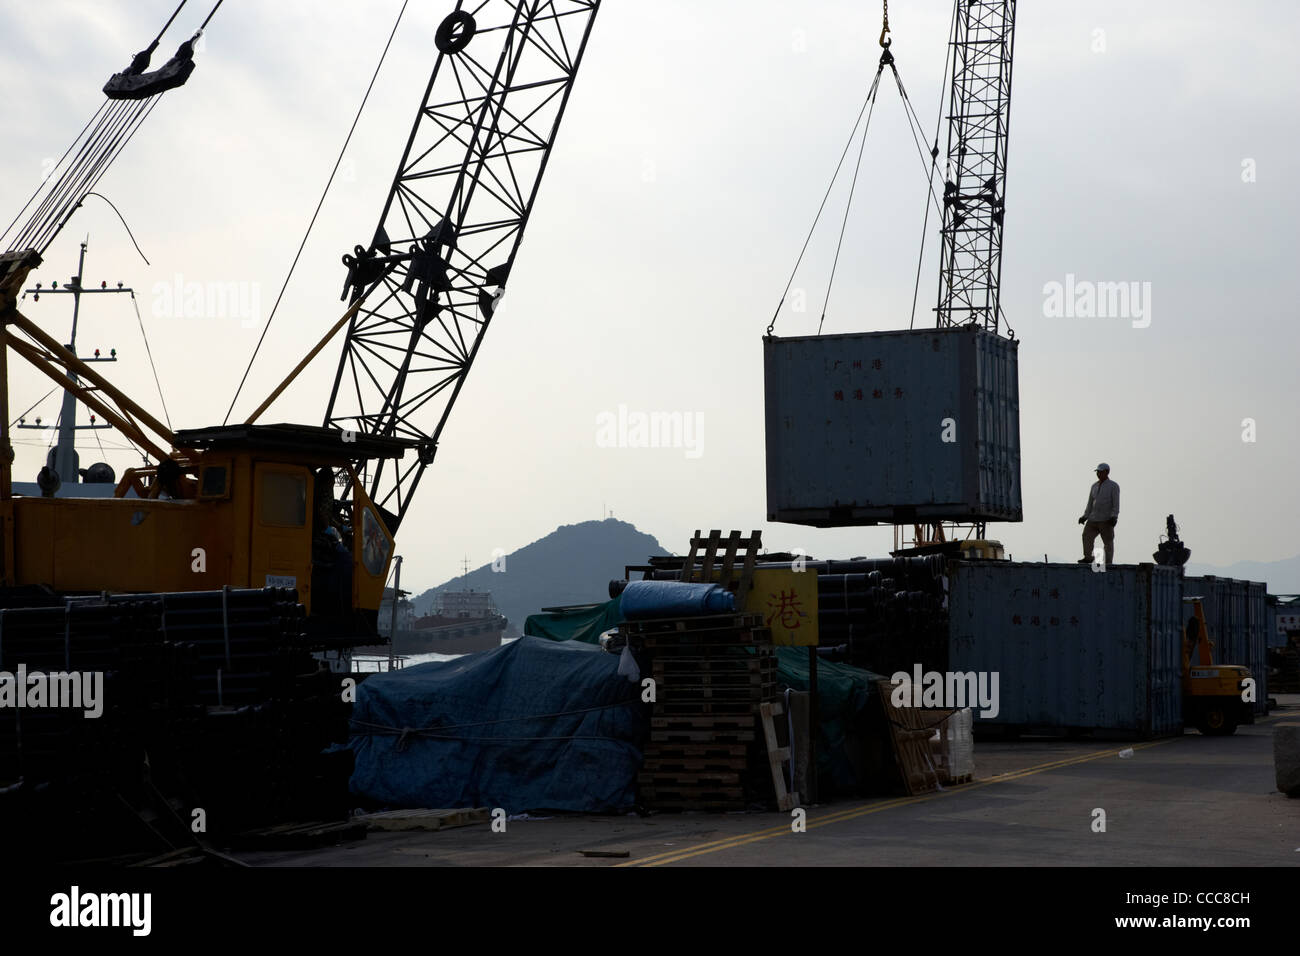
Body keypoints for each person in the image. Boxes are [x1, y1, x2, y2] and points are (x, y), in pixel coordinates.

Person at [1078, 463, 1120, 565]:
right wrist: (1085, 516)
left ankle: (1108, 563)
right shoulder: (1094, 486)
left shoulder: (1113, 486)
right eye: (1098, 472)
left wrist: (1114, 516)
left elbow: (1116, 503)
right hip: (1093, 518)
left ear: (1107, 472)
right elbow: (1090, 503)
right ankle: (1088, 557)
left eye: (1101, 472)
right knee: (1086, 536)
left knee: (1108, 542)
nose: (1098, 474)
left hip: (1106, 519)